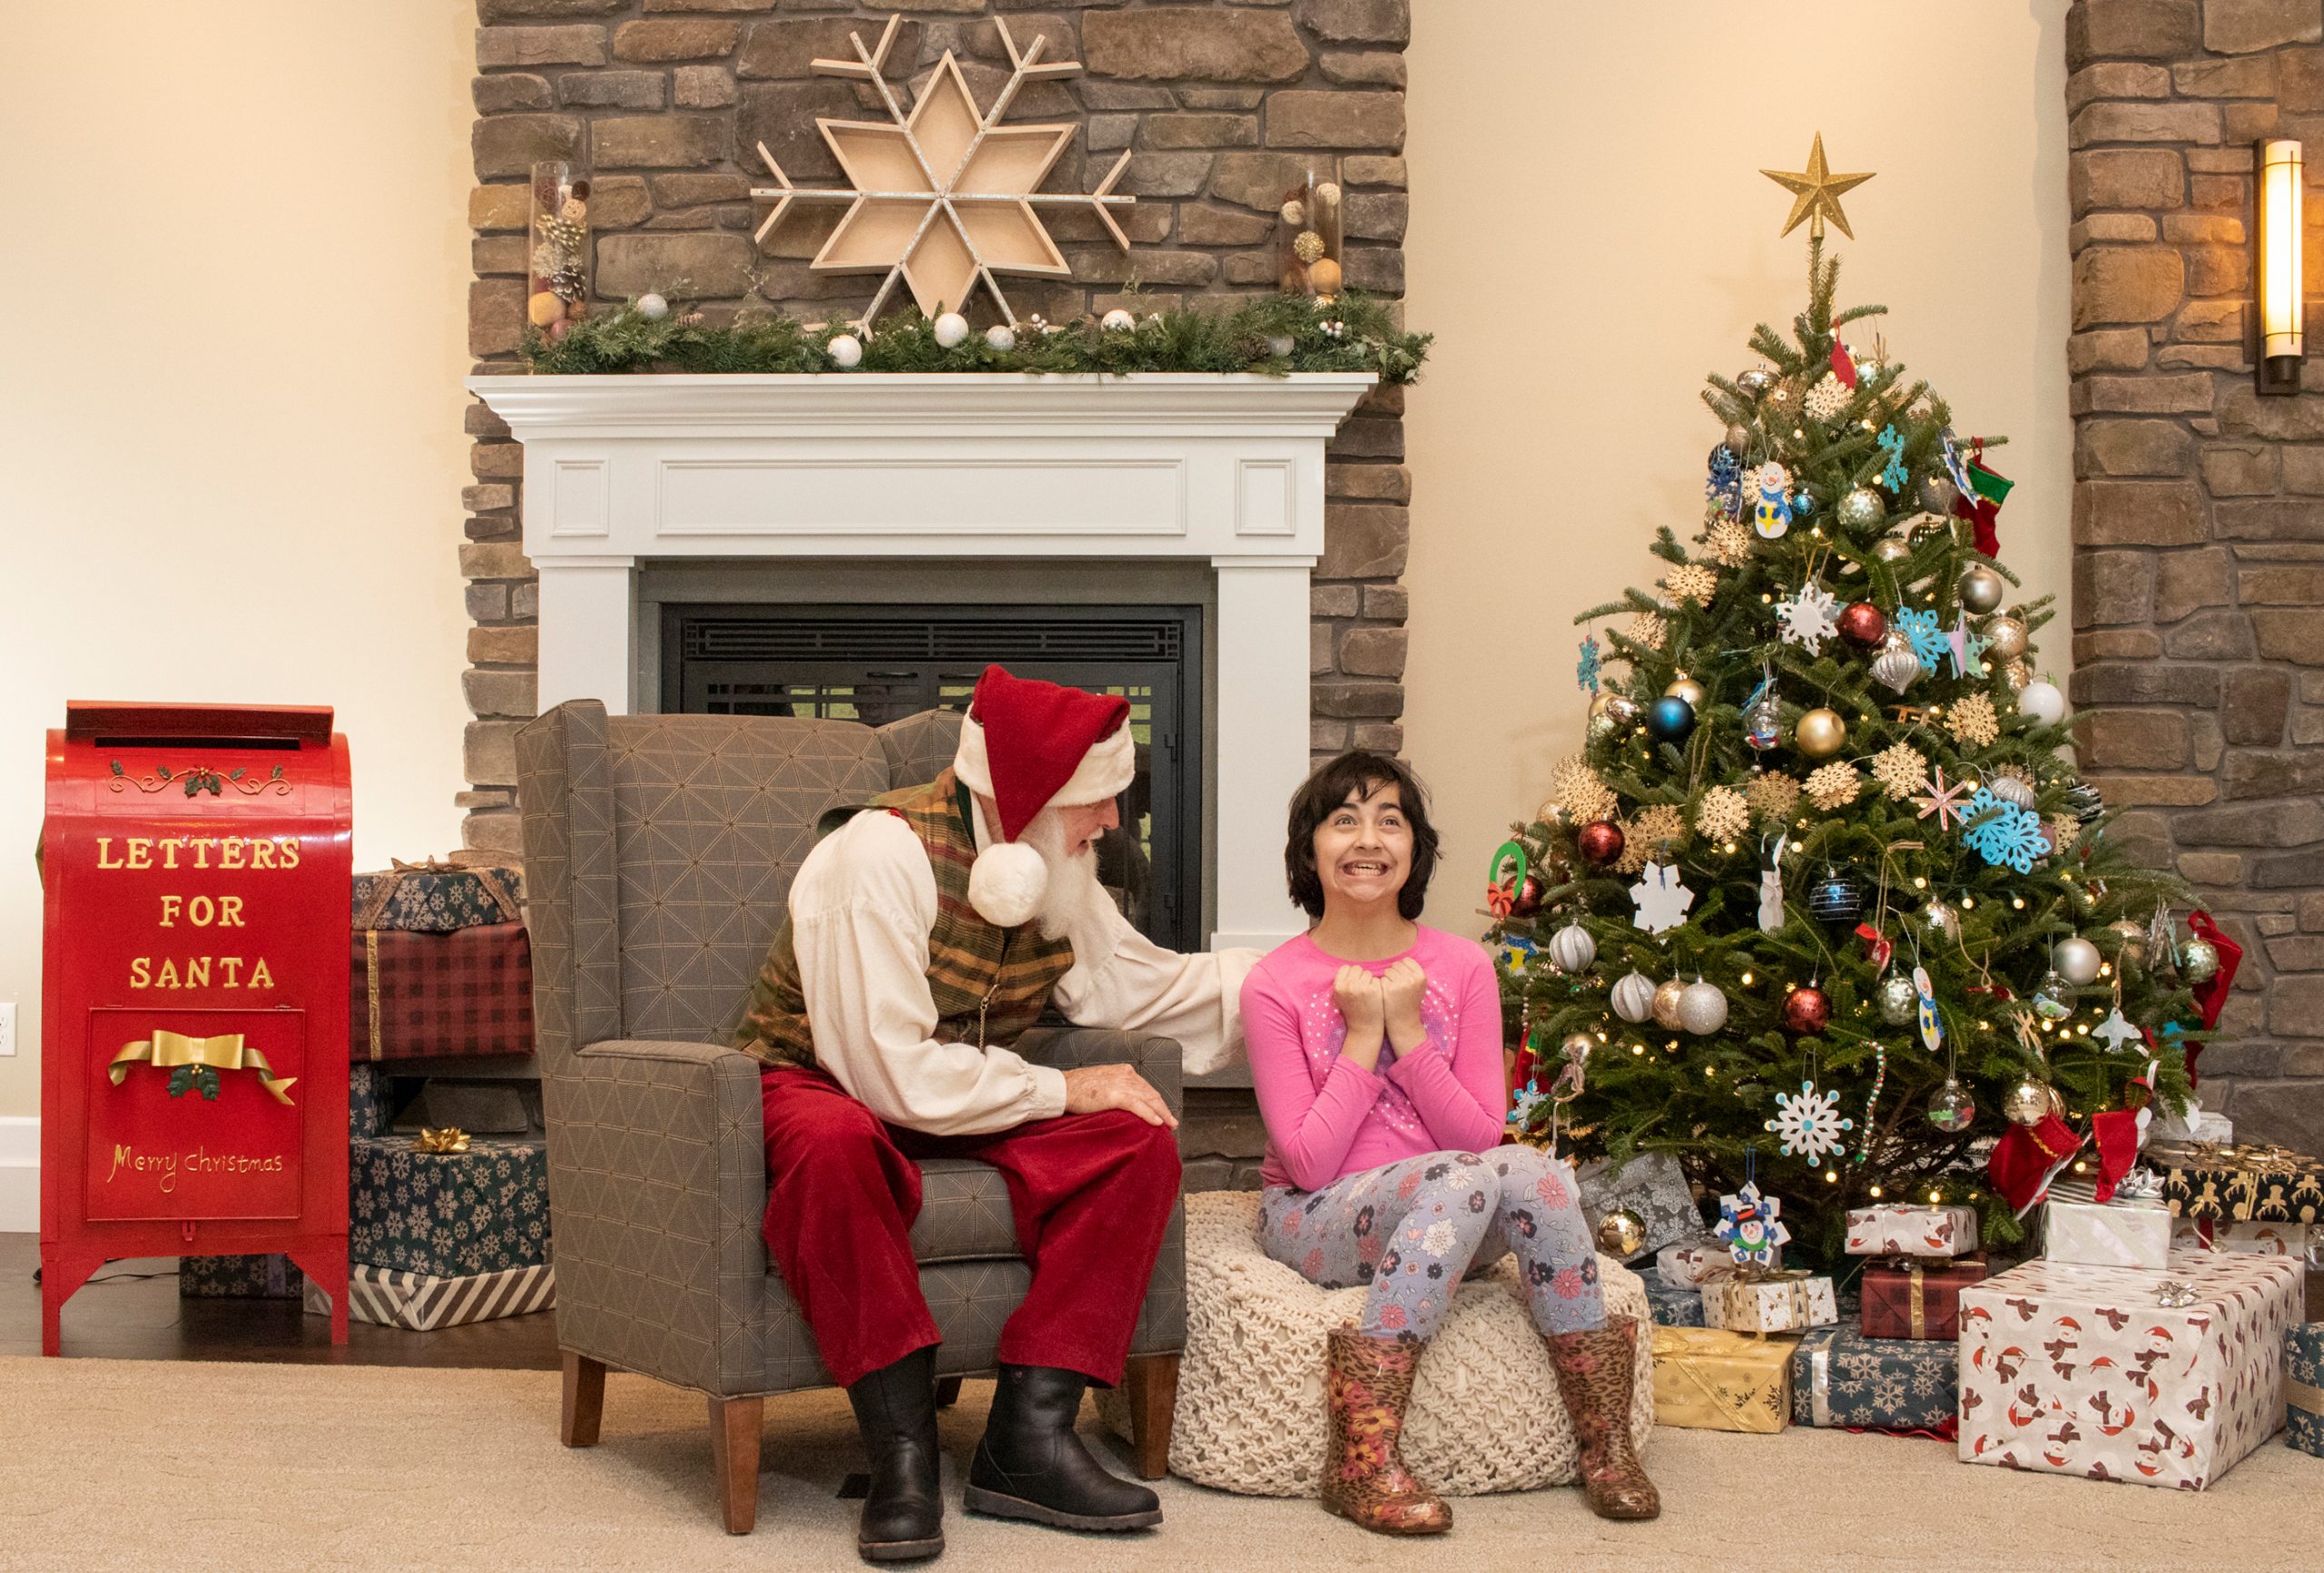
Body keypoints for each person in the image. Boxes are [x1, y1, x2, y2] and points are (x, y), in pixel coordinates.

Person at [734, 664, 1257, 1565]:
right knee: (834, 1144)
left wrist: (1301, 982)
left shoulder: (1056, 872)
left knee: (1135, 1137)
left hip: (965, 1088)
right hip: (828, 1083)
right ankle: (901, 1454)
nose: (1111, 821)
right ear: (1029, 796)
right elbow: (884, 1070)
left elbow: (1142, 985)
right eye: (1096, 799)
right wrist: (1059, 1089)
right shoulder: (875, 855)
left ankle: (1029, 1440)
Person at [1241, 752, 1659, 1533]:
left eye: (1389, 820)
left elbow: (1477, 1134)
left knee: (1530, 1171)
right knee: (1464, 1179)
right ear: (1309, 849)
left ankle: (1605, 1444)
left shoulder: (1462, 965)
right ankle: (1361, 1460)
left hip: (1449, 1201)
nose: (1368, 839)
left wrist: (1408, 1030)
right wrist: (1363, 1037)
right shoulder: (1274, 982)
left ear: (1415, 848)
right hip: (1316, 1212)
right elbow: (1308, 1161)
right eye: (1344, 820)